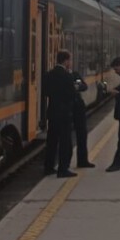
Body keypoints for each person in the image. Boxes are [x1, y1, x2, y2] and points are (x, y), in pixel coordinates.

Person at [44, 50, 79, 178]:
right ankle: (63, 169)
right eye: (70, 60)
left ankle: (48, 167)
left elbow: (46, 92)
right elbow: (72, 95)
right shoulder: (67, 76)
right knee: (65, 142)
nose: (70, 63)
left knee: (51, 141)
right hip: (64, 114)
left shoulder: (48, 75)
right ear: (65, 61)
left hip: (52, 112)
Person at [71, 70, 95, 169]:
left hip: (77, 108)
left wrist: (78, 86)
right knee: (66, 137)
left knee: (82, 135)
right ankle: (64, 164)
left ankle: (82, 161)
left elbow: (84, 86)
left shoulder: (74, 74)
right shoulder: (63, 75)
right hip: (67, 109)